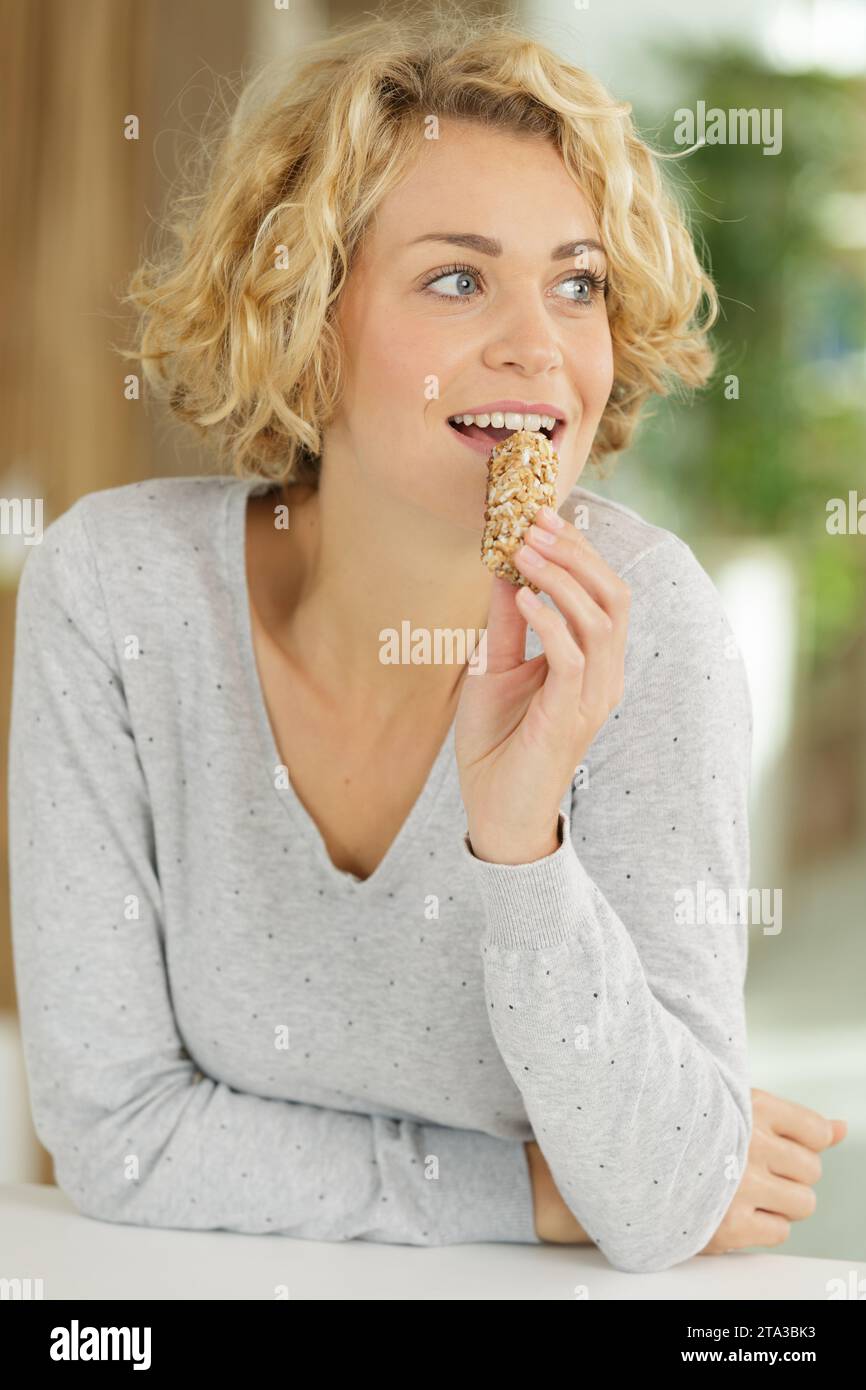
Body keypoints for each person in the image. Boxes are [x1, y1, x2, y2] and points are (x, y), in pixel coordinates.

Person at [8, 3, 845, 1273]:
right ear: (301, 314)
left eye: (577, 283)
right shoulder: (116, 596)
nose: (538, 348)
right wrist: (525, 1189)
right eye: (456, 278)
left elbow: (672, 1194)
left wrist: (519, 841)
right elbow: (114, 1134)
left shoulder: (649, 627)